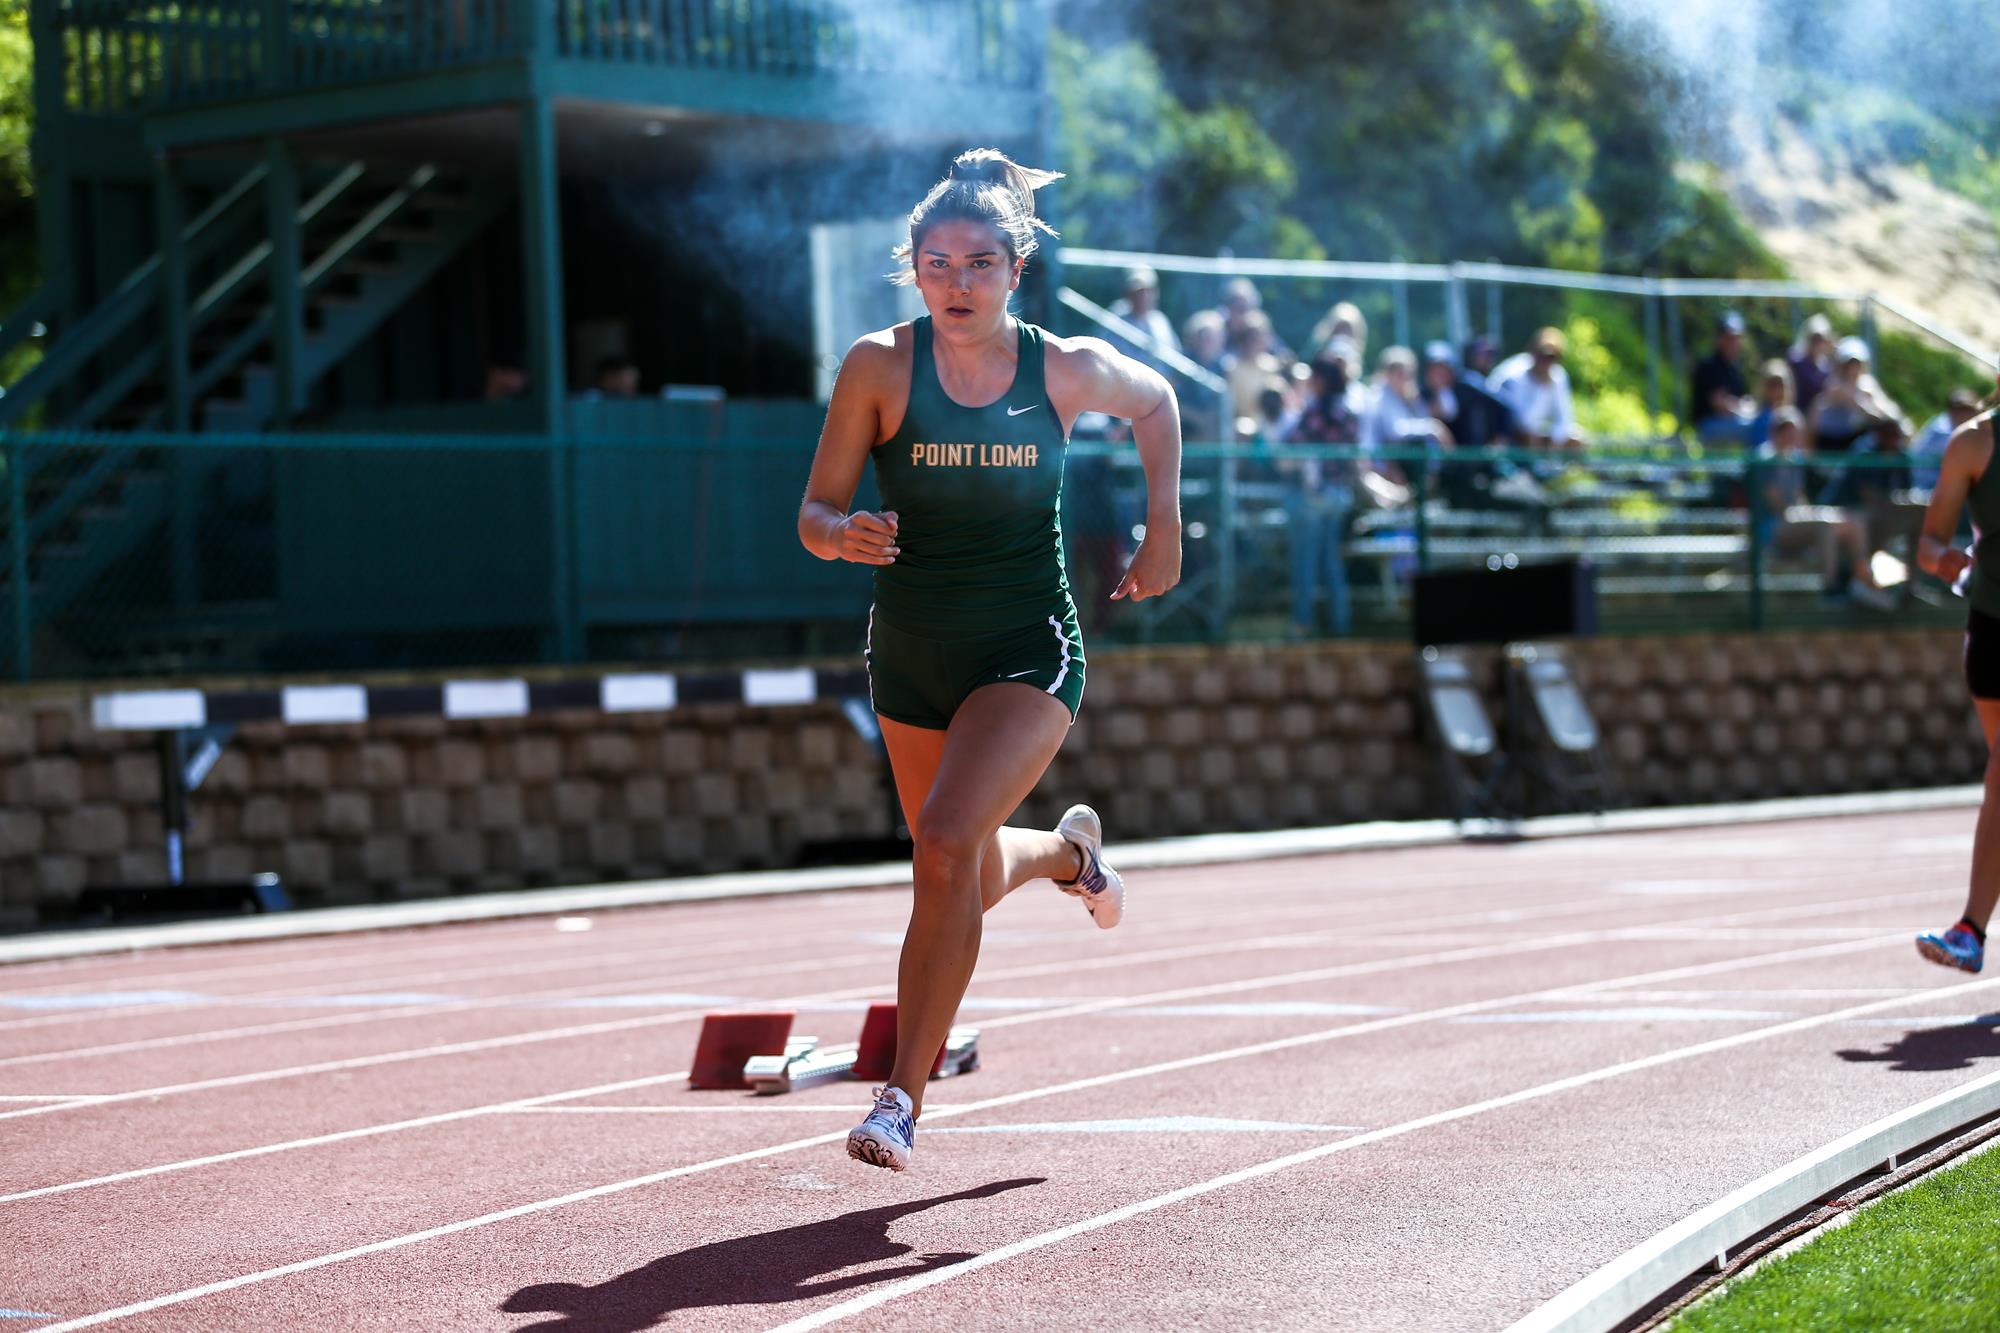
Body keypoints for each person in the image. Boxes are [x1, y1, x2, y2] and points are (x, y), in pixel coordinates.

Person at [797, 149, 1183, 1171]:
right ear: (913, 269)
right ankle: (1068, 855)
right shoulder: (879, 365)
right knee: (954, 861)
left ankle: (899, 1099)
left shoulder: (1061, 367)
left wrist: (1164, 527)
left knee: (942, 840)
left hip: (1025, 644)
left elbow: (1157, 402)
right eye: (937, 264)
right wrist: (841, 536)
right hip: (910, 645)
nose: (956, 283)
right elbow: (814, 510)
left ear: (1016, 269)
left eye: (978, 263)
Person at [1913, 378, 2000, 973]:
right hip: (1993, 626)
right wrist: (1939, 558)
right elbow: (1928, 542)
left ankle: (1970, 929)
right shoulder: (1973, 444)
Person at [1754, 408, 1891, 608]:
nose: (1791, 438)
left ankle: (1862, 580)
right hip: (1772, 526)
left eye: (1793, 433)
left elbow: (1799, 498)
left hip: (1794, 518)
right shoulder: (1764, 459)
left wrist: (1806, 511)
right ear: (1776, 433)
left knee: (1854, 520)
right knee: (1826, 525)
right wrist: (1805, 514)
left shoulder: (1794, 459)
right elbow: (1776, 505)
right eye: (1786, 432)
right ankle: (1830, 588)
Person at [1491, 328, 1581, 450]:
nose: (1546, 362)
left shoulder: (1558, 376)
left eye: (1552, 357)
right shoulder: (1514, 375)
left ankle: (1553, 462)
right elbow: (1521, 420)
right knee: (1530, 435)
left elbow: (1565, 418)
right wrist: (1542, 387)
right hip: (1505, 432)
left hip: (1537, 431)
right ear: (1532, 352)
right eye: (1543, 355)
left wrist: (1555, 441)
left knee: (1577, 439)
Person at [1690, 311, 1755, 444]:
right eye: (1728, 337)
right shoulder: (1708, 365)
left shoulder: (1736, 367)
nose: (1733, 342)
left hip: (1731, 422)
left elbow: (1746, 399)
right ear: (1718, 338)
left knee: (1766, 421)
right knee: (1756, 427)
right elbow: (1720, 404)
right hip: (1708, 425)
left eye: (1736, 337)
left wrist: (1743, 407)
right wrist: (1743, 408)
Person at [1109, 266, 1180, 368]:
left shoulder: (1160, 322)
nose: (1144, 296)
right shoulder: (1115, 322)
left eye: (1148, 291)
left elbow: (1175, 359)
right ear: (1128, 293)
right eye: (1138, 292)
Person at [1913, 388, 1982, 492]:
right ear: (1951, 410)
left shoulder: (1976, 428)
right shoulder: (1940, 429)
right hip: (1930, 487)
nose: (1965, 414)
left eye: (1968, 409)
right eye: (1960, 409)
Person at [1786, 313, 1835, 417]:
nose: (1817, 343)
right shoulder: (1795, 361)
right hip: (1797, 414)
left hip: (1818, 417)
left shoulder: (1827, 367)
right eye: (1814, 339)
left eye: (1821, 339)